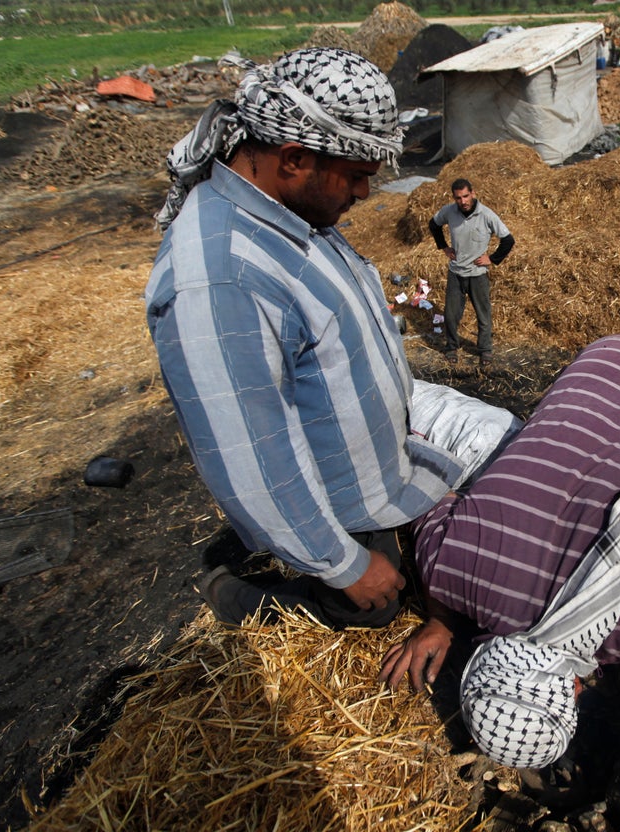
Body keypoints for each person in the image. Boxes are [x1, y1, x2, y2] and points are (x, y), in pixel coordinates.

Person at [146, 48, 519, 630]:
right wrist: (342, 562)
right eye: (358, 178)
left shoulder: (289, 211)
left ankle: (296, 536)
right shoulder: (219, 282)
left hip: (369, 469)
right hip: (330, 493)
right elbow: (250, 454)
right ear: (293, 158)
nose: (367, 196)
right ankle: (234, 589)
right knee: (375, 602)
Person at [380, 334, 620, 769]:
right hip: (607, 357)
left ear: (573, 690)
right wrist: (443, 613)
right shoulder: (449, 567)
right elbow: (431, 491)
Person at [427, 179, 515, 368]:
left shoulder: (486, 215)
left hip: (478, 274)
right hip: (456, 273)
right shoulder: (449, 212)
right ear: (454, 198)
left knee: (483, 315)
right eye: (458, 198)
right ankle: (451, 347)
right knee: (450, 315)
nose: (463, 201)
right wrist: (443, 247)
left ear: (473, 193)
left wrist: (492, 259)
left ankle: (485, 350)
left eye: (466, 196)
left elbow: (508, 240)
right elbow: (433, 225)